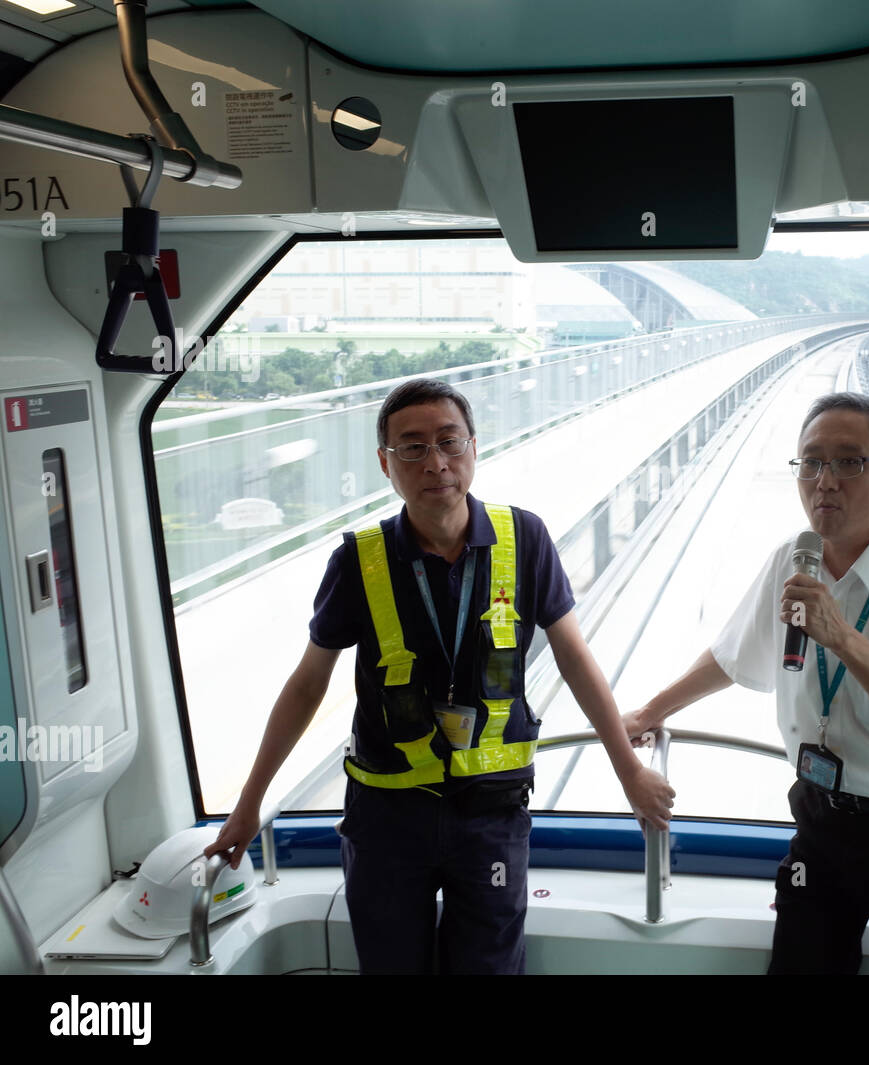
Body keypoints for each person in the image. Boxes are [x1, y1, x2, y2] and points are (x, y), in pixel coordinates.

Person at [206, 377, 674, 974]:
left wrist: (628, 769)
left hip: (490, 812)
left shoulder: (524, 538)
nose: (436, 463)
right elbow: (307, 684)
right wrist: (249, 806)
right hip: (386, 813)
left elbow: (574, 658)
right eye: (413, 447)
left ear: (474, 448)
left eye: (450, 442)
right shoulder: (358, 561)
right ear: (386, 463)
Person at [624, 392, 869, 974]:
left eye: (849, 462)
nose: (825, 481)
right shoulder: (793, 560)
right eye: (811, 462)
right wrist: (650, 710)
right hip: (822, 819)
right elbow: (734, 653)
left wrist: (841, 636)